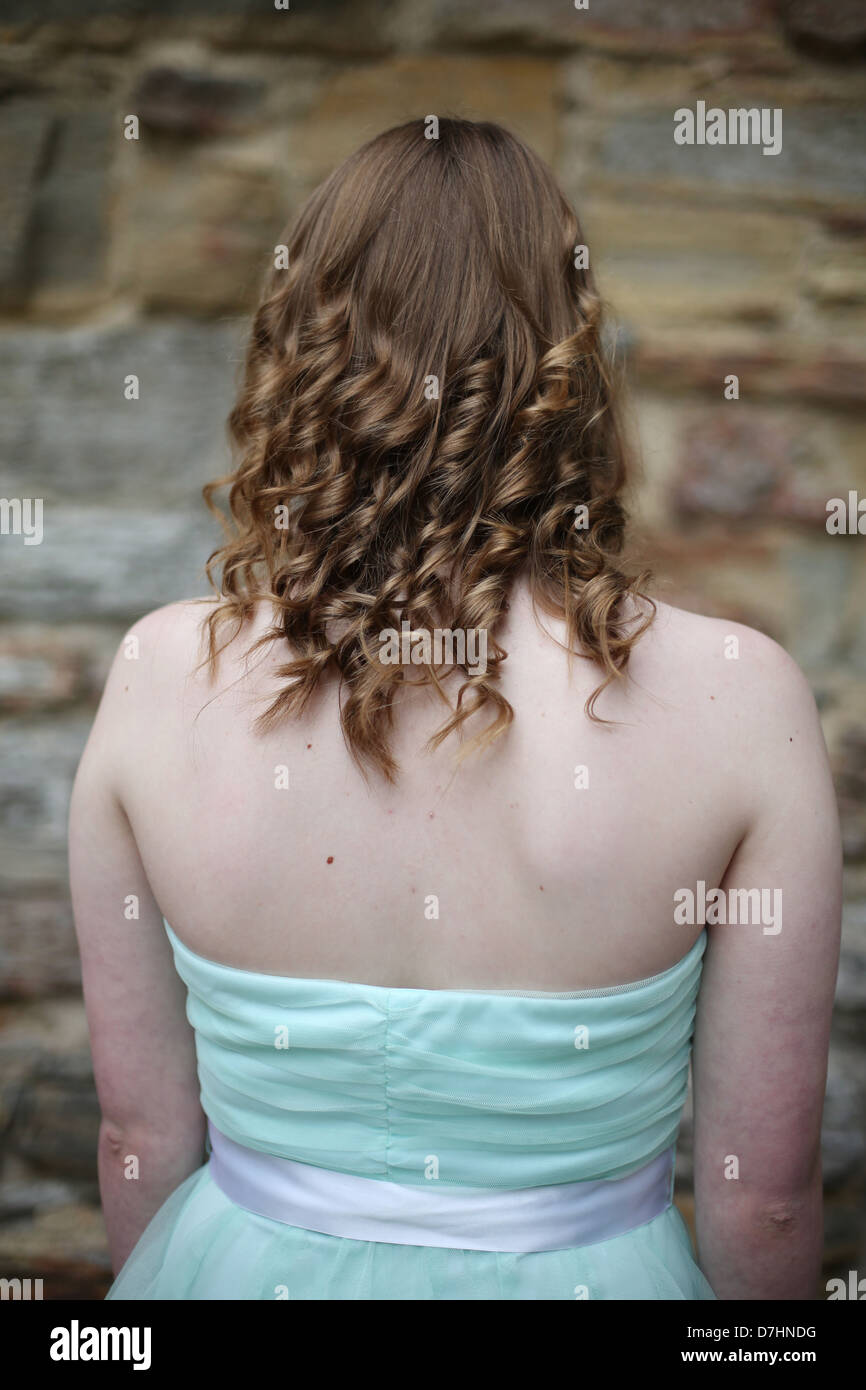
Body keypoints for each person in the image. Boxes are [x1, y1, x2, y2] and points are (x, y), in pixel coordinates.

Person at [69, 118, 841, 1300]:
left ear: (305, 352)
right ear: (570, 362)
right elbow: (764, 1196)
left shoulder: (158, 673)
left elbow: (137, 1139)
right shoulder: (741, 699)